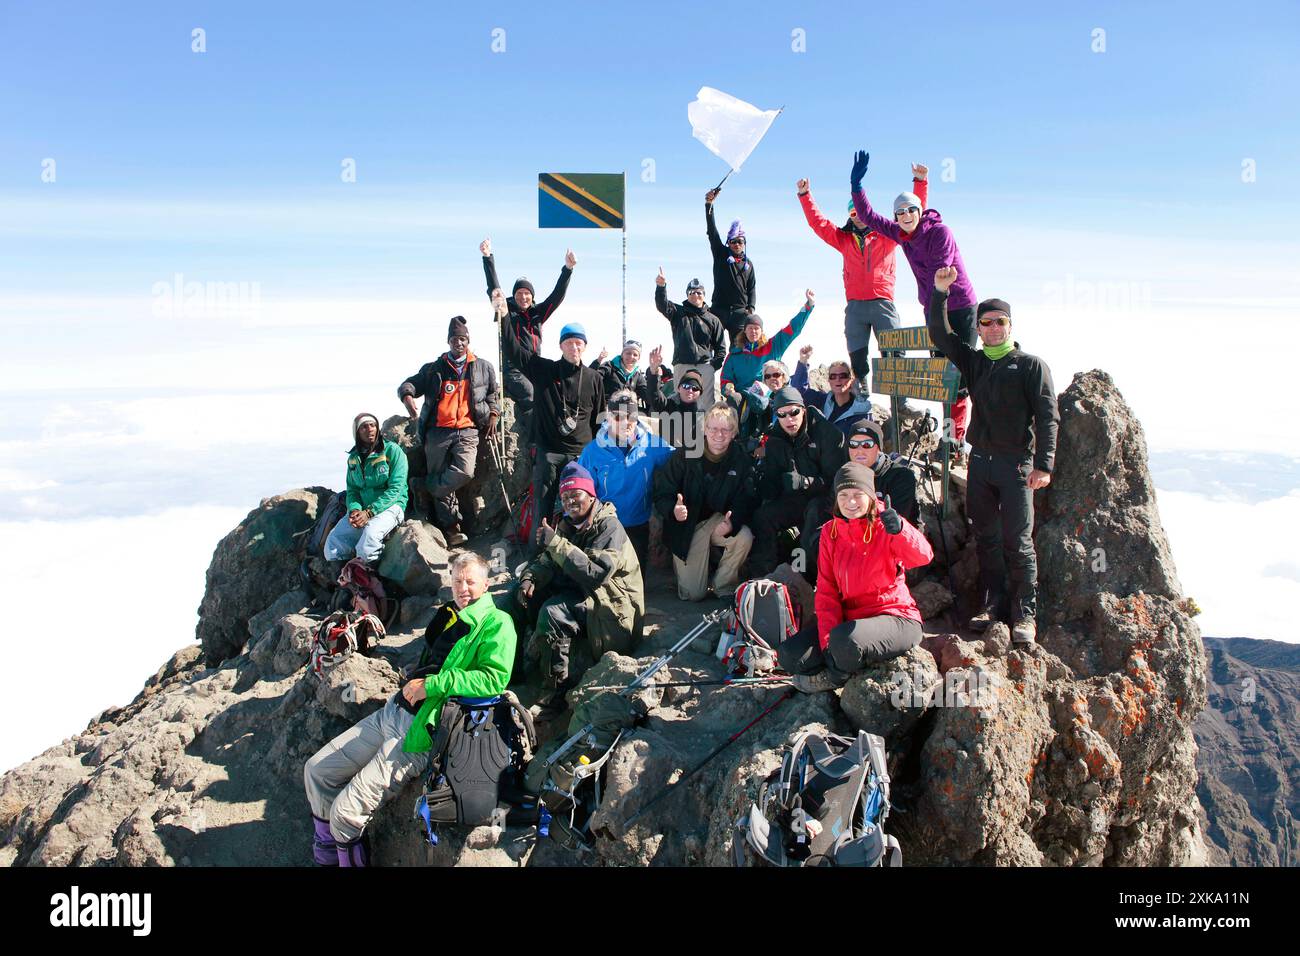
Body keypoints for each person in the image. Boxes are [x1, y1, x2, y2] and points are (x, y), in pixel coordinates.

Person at [304, 551, 515, 866]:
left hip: (422, 731)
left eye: (471, 581)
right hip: (393, 711)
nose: (463, 588)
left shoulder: (498, 623)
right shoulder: (448, 613)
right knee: (317, 772)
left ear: (486, 584)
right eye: (457, 580)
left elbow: (492, 679)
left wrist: (431, 686)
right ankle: (327, 858)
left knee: (345, 814)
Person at [930, 267, 1058, 644]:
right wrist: (940, 293)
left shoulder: (1032, 366)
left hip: (1017, 465)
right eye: (986, 322)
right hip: (980, 463)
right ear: (980, 328)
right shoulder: (976, 362)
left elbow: (1048, 417)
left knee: (1018, 542)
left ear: (1010, 326)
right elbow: (941, 334)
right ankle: (992, 603)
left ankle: (1024, 616)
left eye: (1000, 322)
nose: (993, 328)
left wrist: (1044, 465)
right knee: (985, 537)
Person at [848, 150, 977, 451]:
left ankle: (955, 440)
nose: (906, 216)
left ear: (920, 212)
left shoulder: (939, 232)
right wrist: (856, 186)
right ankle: (948, 438)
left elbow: (940, 272)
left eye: (911, 211)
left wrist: (921, 181)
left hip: (959, 306)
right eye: (900, 213)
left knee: (960, 376)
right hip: (933, 307)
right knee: (944, 375)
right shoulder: (900, 233)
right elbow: (868, 217)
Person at [780, 463, 932, 693]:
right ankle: (845, 659)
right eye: (844, 495)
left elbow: (923, 557)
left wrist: (901, 529)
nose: (850, 502)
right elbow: (826, 591)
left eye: (858, 495)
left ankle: (836, 678)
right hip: (851, 619)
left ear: (870, 496)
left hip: (895, 616)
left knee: (845, 641)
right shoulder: (831, 532)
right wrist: (827, 642)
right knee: (790, 655)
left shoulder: (886, 524)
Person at [511, 462, 645, 720]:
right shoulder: (567, 524)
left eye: (576, 495)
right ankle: (519, 668)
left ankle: (555, 694)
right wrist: (530, 577)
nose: (570, 501)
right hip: (586, 594)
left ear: (591, 495)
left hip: (615, 608)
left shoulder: (609, 527)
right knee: (521, 596)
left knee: (553, 613)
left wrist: (556, 543)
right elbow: (548, 560)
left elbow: (595, 575)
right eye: (565, 496)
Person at [797, 167, 928, 390]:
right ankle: (861, 396)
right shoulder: (843, 238)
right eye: (853, 213)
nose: (857, 217)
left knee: (894, 354)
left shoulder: (888, 233)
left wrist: (920, 181)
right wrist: (805, 196)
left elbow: (912, 216)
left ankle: (901, 401)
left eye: (860, 212)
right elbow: (818, 223)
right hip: (855, 306)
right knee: (857, 355)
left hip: (882, 302)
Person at [497, 290, 606, 539]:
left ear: (585, 346)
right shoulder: (544, 369)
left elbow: (599, 418)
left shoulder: (594, 378)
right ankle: (538, 556)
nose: (574, 347)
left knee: (581, 508)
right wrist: (504, 316)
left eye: (579, 343)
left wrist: (597, 453)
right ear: (560, 345)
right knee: (543, 508)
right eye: (569, 342)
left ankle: (576, 551)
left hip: (581, 454)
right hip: (549, 452)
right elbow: (514, 350)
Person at [397, 316, 500, 546]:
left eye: (463, 339)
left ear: (468, 340)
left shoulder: (483, 366)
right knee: (442, 472)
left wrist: (494, 414)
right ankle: (452, 528)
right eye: (455, 339)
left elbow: (494, 394)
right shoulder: (435, 368)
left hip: (468, 430)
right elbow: (411, 383)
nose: (459, 343)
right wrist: (407, 394)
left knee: (464, 472)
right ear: (448, 341)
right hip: (438, 432)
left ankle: (424, 485)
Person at [652, 403, 757, 601]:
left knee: (744, 537)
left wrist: (732, 522)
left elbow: (746, 498)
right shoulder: (685, 454)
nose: (719, 434)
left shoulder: (740, 458)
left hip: (718, 522)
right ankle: (686, 565)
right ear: (705, 429)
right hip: (686, 526)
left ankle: (723, 585)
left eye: (726, 429)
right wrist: (672, 510)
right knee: (694, 594)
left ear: (734, 433)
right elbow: (662, 492)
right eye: (714, 428)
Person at [746, 387, 847, 583]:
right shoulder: (775, 438)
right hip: (795, 499)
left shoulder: (827, 434)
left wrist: (806, 482)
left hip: (827, 500)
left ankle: (809, 582)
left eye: (794, 412)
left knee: (812, 519)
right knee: (763, 517)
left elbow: (837, 481)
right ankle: (760, 578)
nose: (789, 419)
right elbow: (773, 481)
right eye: (782, 415)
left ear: (804, 410)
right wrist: (760, 485)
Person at [480, 237, 576, 435]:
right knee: (532, 396)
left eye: (527, 293)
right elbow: (494, 289)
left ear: (532, 296)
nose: (523, 297)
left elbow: (556, 296)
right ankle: (535, 442)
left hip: (535, 365)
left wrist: (567, 269)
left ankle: (560, 432)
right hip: (513, 368)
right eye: (519, 293)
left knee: (552, 393)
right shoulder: (507, 312)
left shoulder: (537, 314)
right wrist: (488, 257)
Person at [576, 389, 675, 567]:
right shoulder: (592, 452)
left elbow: (678, 460)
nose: (625, 423)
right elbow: (580, 489)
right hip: (605, 525)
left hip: (638, 524)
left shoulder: (652, 444)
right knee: (604, 578)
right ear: (608, 417)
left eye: (630, 416)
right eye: (618, 417)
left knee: (635, 583)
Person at [324, 413, 409, 564]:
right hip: (363, 510)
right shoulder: (353, 458)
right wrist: (355, 510)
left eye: (373, 425)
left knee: (369, 540)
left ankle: (371, 577)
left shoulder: (392, 451)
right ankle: (345, 580)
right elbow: (353, 490)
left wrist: (370, 513)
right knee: (334, 542)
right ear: (357, 432)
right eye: (364, 426)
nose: (370, 429)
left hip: (390, 507)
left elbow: (396, 489)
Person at [719, 290, 816, 397]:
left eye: (757, 328)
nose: (753, 331)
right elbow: (725, 379)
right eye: (750, 328)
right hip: (742, 400)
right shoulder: (734, 355)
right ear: (744, 331)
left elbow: (793, 328)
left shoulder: (773, 346)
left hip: (769, 398)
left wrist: (808, 306)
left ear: (762, 331)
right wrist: (729, 389)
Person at [654, 270, 728, 407]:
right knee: (680, 402)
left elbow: (721, 348)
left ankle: (706, 429)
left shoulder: (713, 320)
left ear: (704, 295)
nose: (695, 294)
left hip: (705, 367)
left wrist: (713, 366)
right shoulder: (677, 312)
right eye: (692, 292)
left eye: (699, 292)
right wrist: (661, 286)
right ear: (687, 295)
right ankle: (682, 429)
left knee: (705, 405)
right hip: (682, 364)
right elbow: (662, 304)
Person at [704, 187, 757, 338]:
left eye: (740, 241)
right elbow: (712, 231)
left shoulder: (749, 264)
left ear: (744, 243)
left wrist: (751, 308)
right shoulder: (721, 254)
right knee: (714, 345)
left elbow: (752, 287)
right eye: (733, 241)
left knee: (738, 349)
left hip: (740, 313)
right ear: (728, 243)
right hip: (719, 309)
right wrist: (709, 204)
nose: (736, 244)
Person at [846, 417, 919, 525]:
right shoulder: (845, 474)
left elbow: (898, 524)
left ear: (879, 448)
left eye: (867, 444)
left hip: (894, 537)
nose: (859, 451)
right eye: (853, 444)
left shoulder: (901, 476)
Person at [790, 347, 876, 436]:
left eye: (843, 376)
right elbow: (798, 391)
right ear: (829, 381)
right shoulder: (823, 400)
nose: (837, 380)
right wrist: (803, 361)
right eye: (833, 376)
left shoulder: (862, 411)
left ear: (851, 380)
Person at [645, 353, 707, 452]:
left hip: (691, 459)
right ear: (678, 388)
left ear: (700, 393)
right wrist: (653, 373)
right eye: (686, 386)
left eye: (695, 388)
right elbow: (654, 396)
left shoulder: (704, 413)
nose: (690, 390)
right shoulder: (668, 405)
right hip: (668, 456)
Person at [591, 339, 653, 412]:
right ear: (622, 354)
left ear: (638, 358)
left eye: (635, 355)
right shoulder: (609, 366)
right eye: (628, 353)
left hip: (627, 413)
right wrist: (598, 361)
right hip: (605, 411)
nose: (631, 357)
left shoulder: (637, 375)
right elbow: (591, 380)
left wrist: (654, 375)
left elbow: (649, 397)